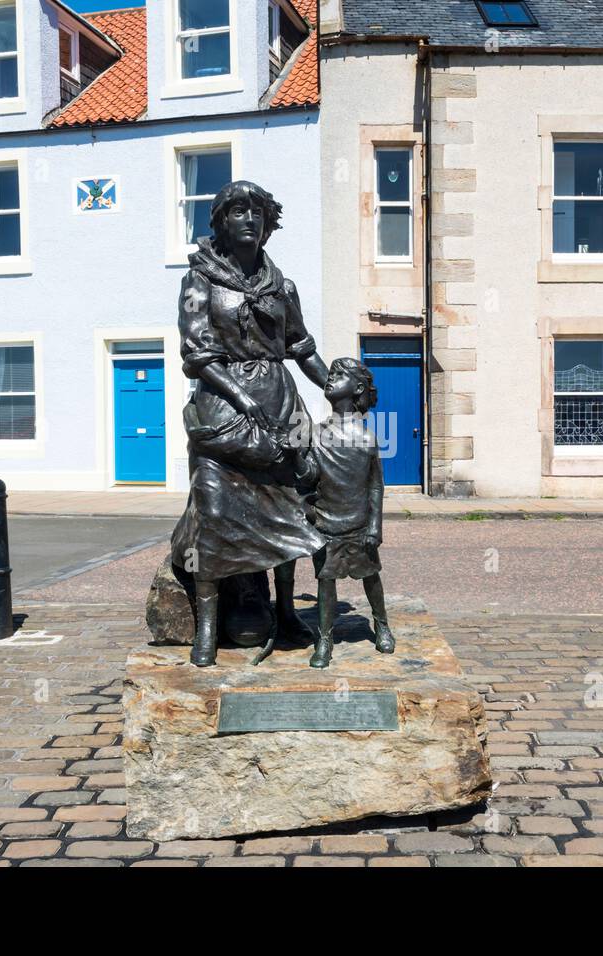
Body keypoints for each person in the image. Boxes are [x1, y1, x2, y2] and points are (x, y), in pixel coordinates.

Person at [170, 181, 327, 667]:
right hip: (222, 411)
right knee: (215, 519)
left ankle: (285, 613)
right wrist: (242, 399)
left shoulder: (283, 286)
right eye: (237, 210)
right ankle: (209, 628)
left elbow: (300, 347)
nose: (249, 219)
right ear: (219, 220)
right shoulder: (199, 282)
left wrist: (340, 390)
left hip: (281, 406)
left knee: (293, 512)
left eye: (258, 212)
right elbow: (197, 353)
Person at [296, 357, 394, 669]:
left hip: (359, 523)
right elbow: (308, 476)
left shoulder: (367, 437)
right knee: (326, 581)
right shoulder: (314, 433)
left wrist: (375, 526)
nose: (330, 378)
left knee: (370, 576)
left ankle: (382, 625)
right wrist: (295, 457)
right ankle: (324, 638)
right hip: (326, 522)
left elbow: (376, 486)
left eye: (340, 375)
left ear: (358, 388)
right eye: (331, 373)